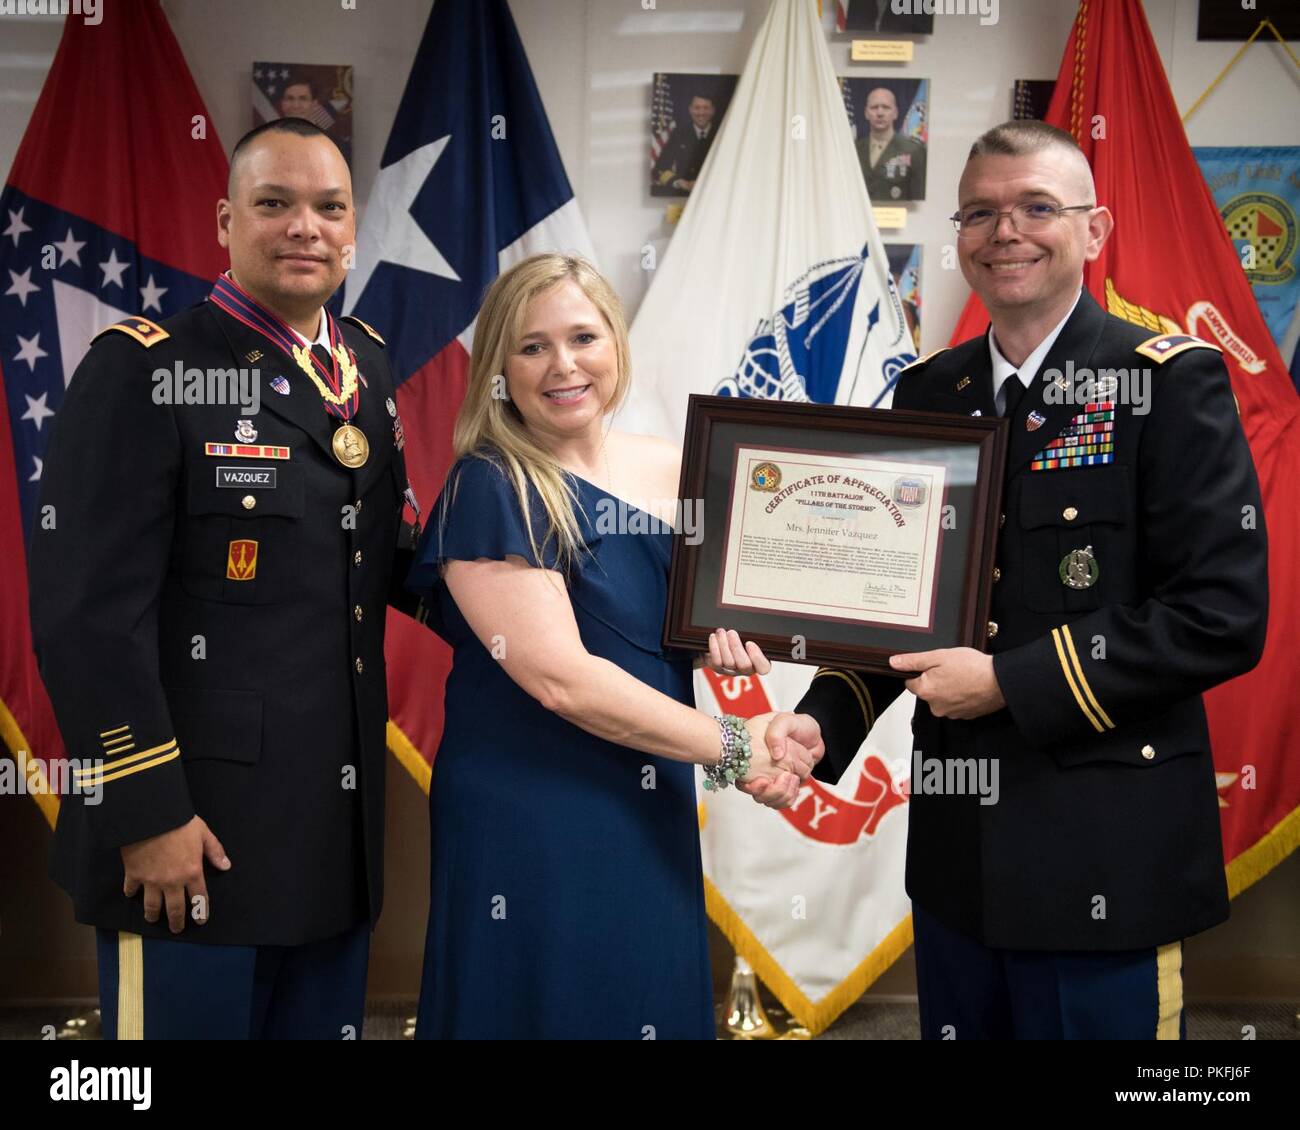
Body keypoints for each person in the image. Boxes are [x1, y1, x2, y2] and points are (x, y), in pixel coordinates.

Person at [751, 119, 1269, 1038]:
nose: (1006, 233)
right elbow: (899, 602)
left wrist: (1007, 681)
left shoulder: (1166, 381)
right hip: (960, 857)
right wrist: (823, 718)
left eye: (1037, 207)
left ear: (1094, 230)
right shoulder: (930, 392)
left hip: (1106, 850)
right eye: (981, 213)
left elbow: (1219, 615)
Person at [29, 117, 422, 1039]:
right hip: (187, 838)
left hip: (334, 836)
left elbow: (384, 557)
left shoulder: (363, 365)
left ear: (352, 227)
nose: (305, 228)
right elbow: (87, 620)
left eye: (329, 208)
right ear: (225, 221)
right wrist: (145, 812)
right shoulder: (147, 370)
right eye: (274, 203)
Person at [407, 253, 825, 1040]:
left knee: (643, 998)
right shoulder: (491, 483)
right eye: (532, 346)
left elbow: (656, 629)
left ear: (616, 343)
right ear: (499, 366)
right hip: (533, 806)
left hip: (648, 788)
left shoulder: (673, 465)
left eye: (582, 337)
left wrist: (723, 646)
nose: (563, 365)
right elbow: (562, 679)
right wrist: (738, 747)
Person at [856, 87, 926, 202]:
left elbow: (919, 200)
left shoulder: (914, 151)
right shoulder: (853, 149)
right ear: (866, 113)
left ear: (895, 113)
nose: (880, 113)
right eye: (874, 107)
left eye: (886, 107)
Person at [652, 93, 717, 194]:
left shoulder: (721, 133)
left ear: (713, 110)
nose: (701, 112)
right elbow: (659, 169)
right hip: (684, 194)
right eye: (697, 108)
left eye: (706, 108)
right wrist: (681, 183)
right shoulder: (679, 134)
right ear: (690, 110)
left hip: (715, 192)